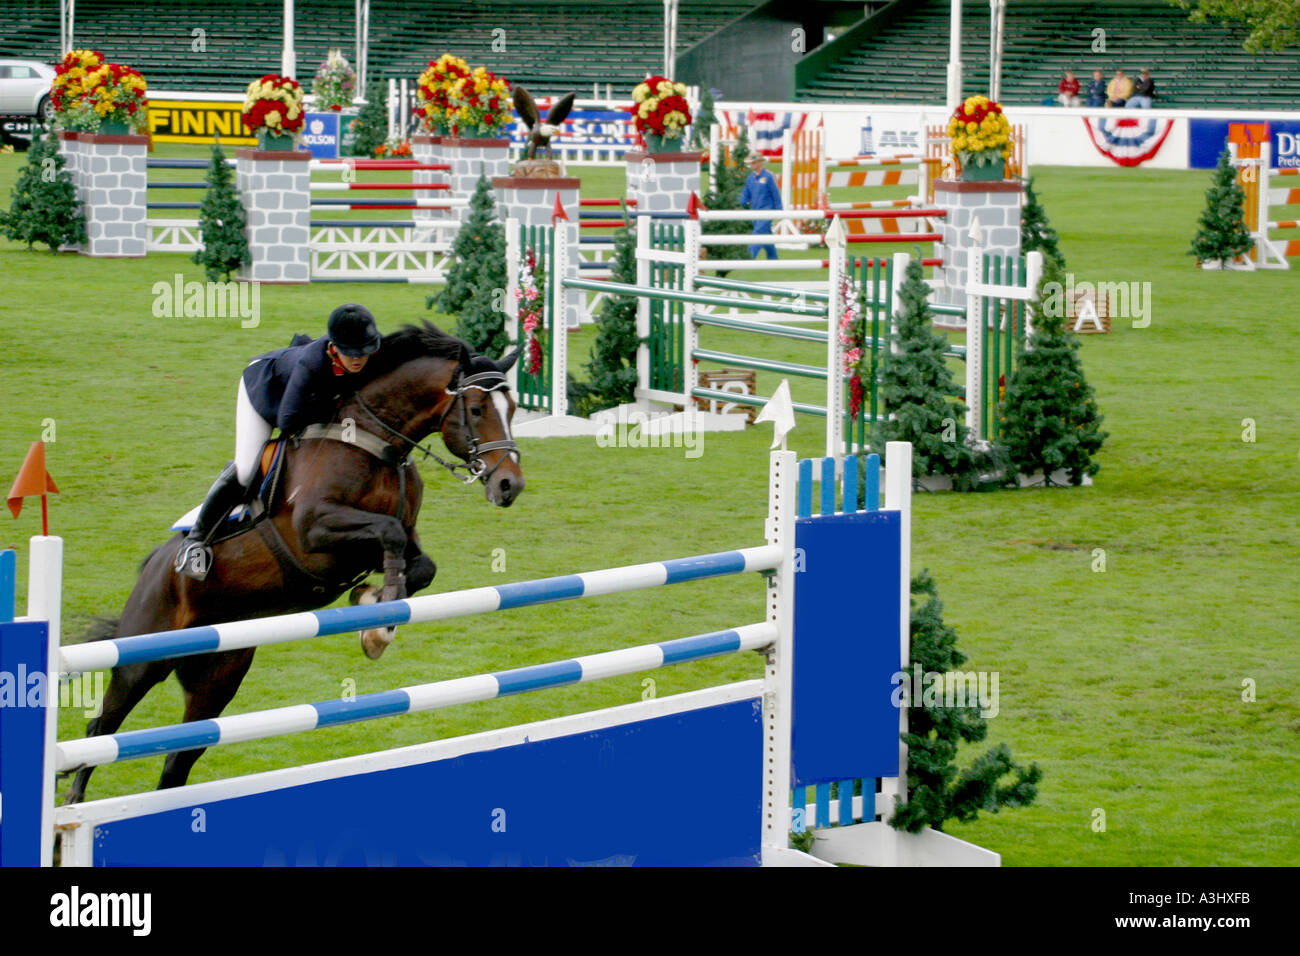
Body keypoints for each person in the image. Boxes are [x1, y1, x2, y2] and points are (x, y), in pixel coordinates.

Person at [174, 304, 383, 579]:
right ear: (334, 347)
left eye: (364, 352)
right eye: (351, 353)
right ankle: (195, 542)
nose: (359, 360)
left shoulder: (370, 353)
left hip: (304, 401)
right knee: (247, 469)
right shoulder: (313, 362)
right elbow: (287, 420)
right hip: (265, 391)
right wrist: (333, 409)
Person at [740, 153, 781, 260]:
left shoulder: (768, 176)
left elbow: (775, 193)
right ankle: (773, 258)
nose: (751, 165)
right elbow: (746, 194)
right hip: (755, 211)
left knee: (758, 233)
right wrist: (739, 204)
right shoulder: (750, 178)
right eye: (750, 163)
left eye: (753, 163)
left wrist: (779, 209)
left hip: (767, 210)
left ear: (759, 163)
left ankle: (749, 257)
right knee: (766, 235)